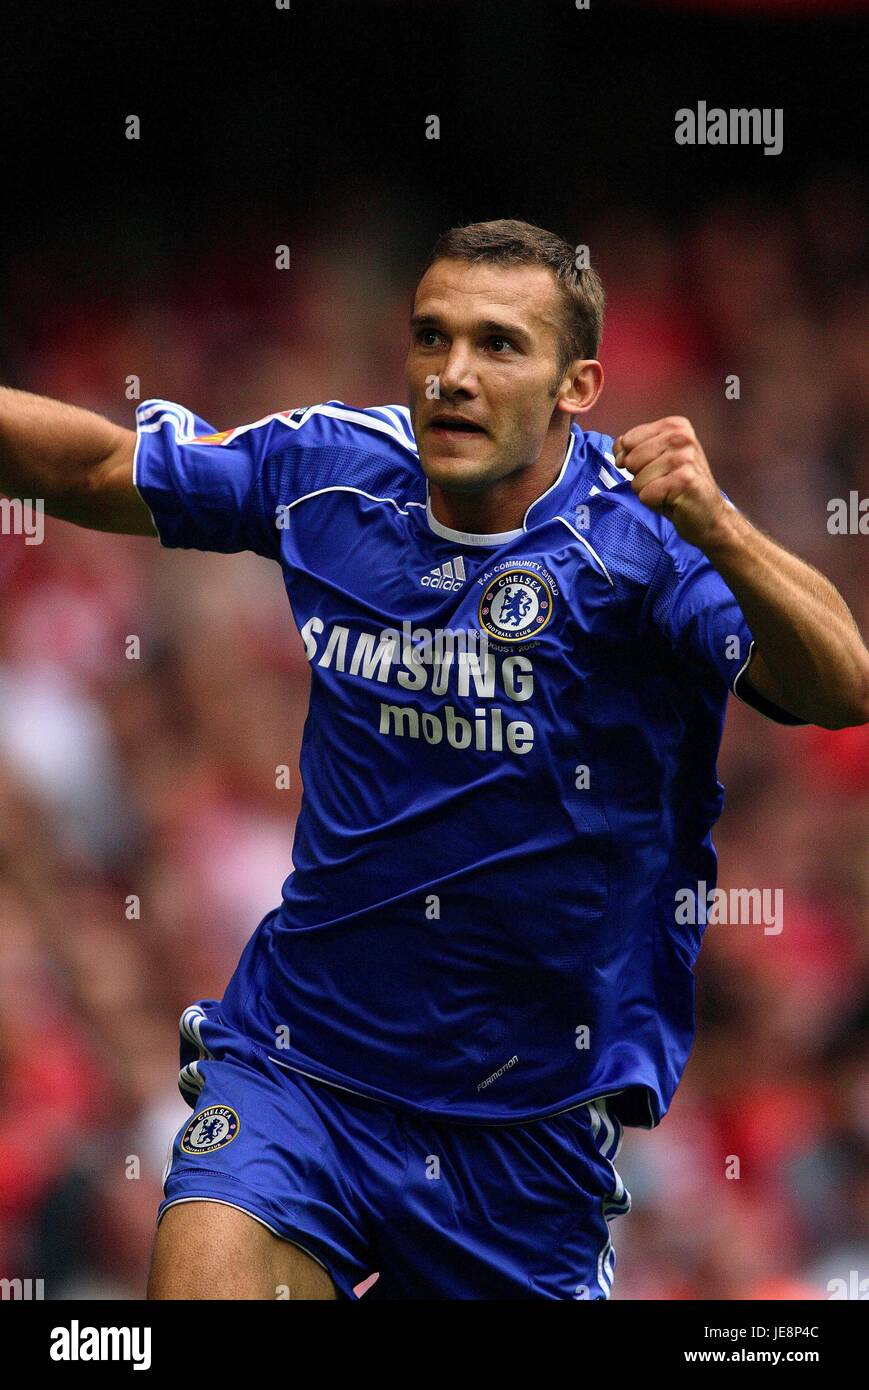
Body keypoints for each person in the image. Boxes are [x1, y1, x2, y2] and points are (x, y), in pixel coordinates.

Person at [1, 219, 866, 1301]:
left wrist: (722, 530)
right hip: (300, 1065)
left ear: (576, 384)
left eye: (498, 344)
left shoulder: (644, 544)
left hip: (523, 1133)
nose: (451, 374)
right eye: (430, 336)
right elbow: (93, 466)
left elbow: (842, 685)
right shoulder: (331, 473)